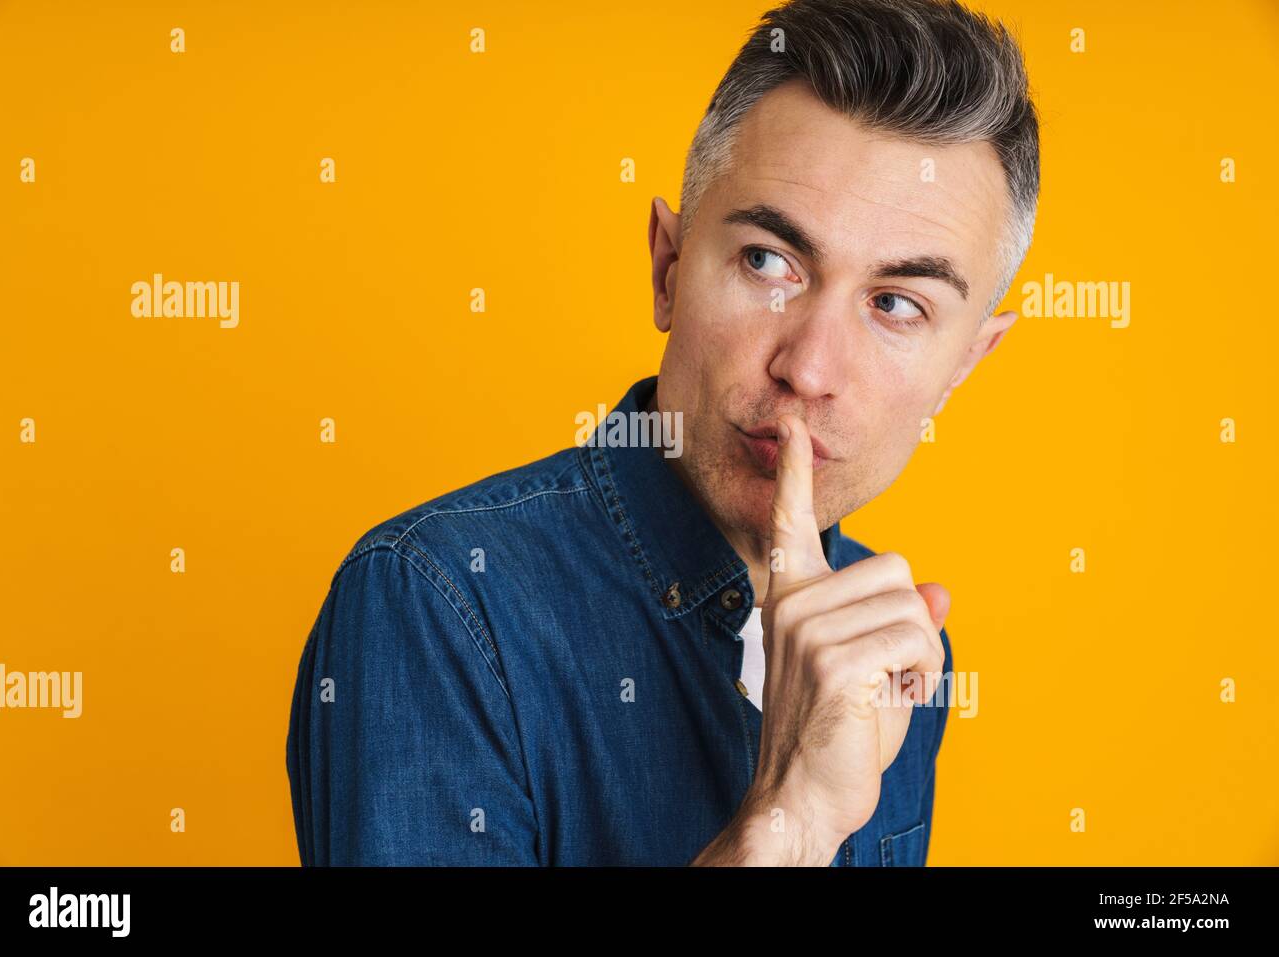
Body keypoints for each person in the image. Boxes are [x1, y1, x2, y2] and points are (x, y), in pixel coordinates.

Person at [286, 0, 1039, 866]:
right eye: (768, 261)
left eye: (897, 305)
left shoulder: (902, 648)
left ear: (964, 365)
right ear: (668, 270)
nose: (810, 367)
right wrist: (786, 827)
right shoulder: (438, 605)